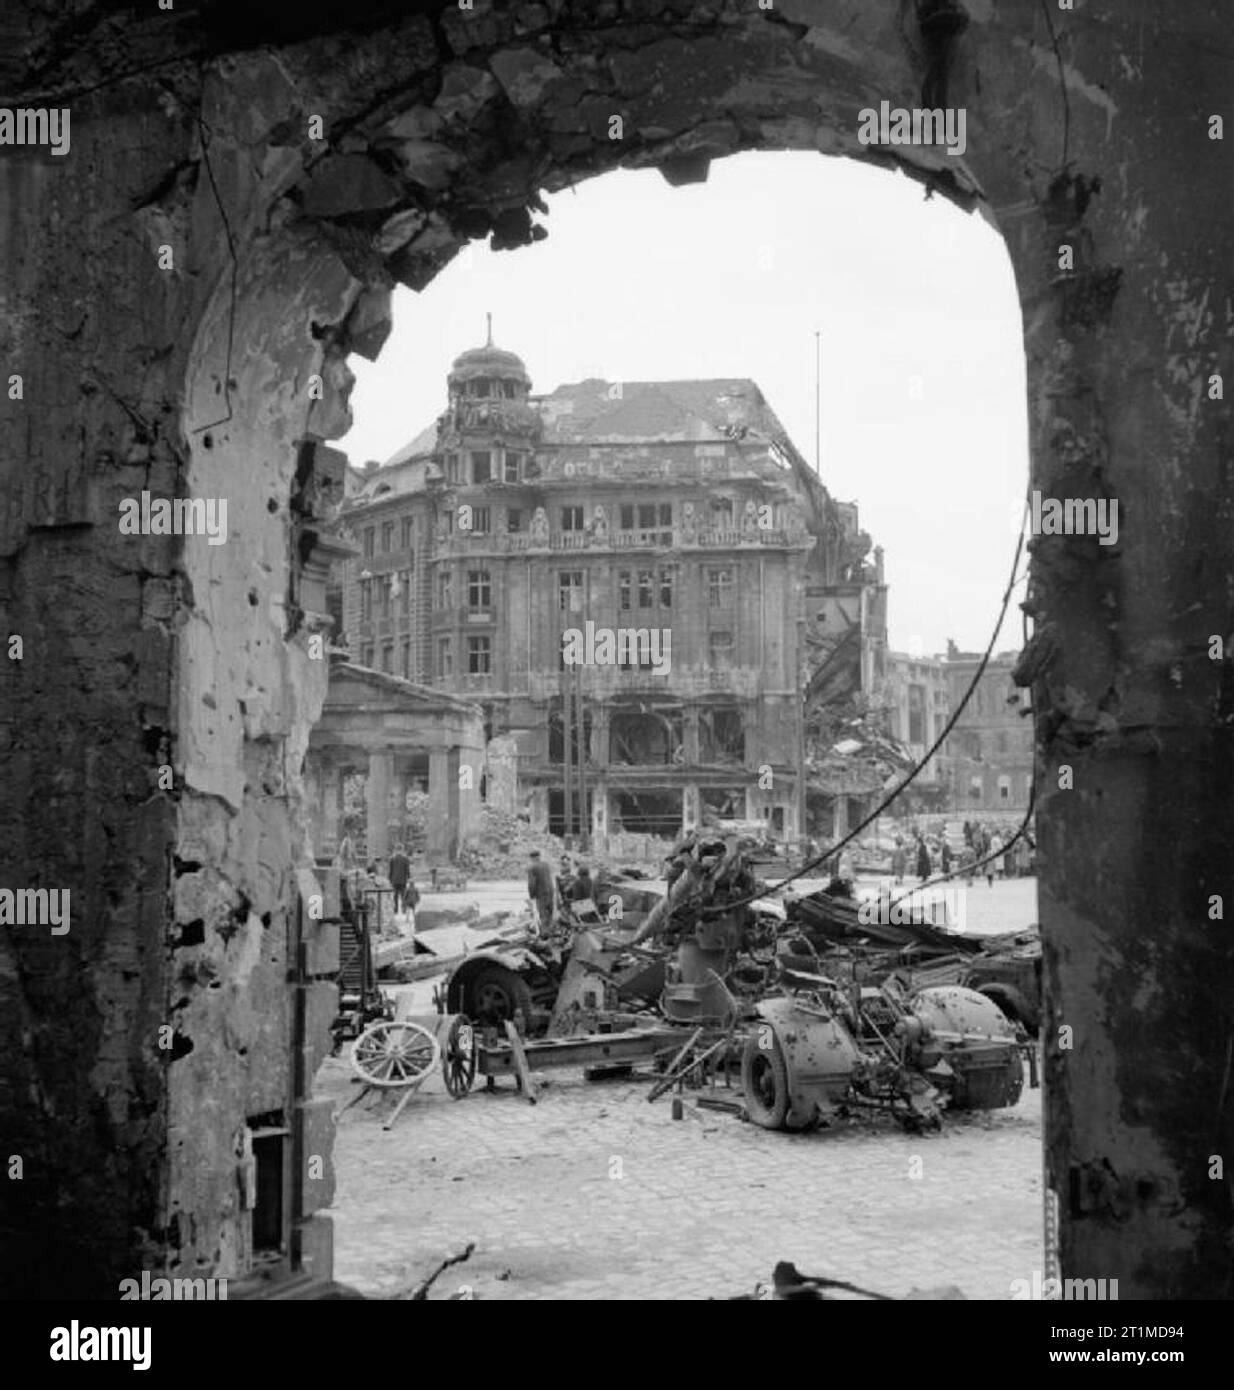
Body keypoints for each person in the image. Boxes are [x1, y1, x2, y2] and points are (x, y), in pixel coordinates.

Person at [528, 849, 555, 933]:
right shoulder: (546, 865)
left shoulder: (532, 867)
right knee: (550, 913)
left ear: (531, 858)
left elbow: (532, 883)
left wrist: (532, 895)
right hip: (550, 892)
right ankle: (551, 931)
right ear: (539, 856)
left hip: (541, 893)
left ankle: (545, 934)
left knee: (543, 914)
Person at [388, 842, 411, 913]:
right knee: (403, 895)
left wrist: (389, 879)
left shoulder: (392, 859)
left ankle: (395, 909)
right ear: (402, 850)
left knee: (395, 896)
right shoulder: (405, 859)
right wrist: (409, 877)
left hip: (394, 880)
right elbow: (407, 870)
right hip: (403, 880)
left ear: (396, 850)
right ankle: (403, 909)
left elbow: (390, 870)